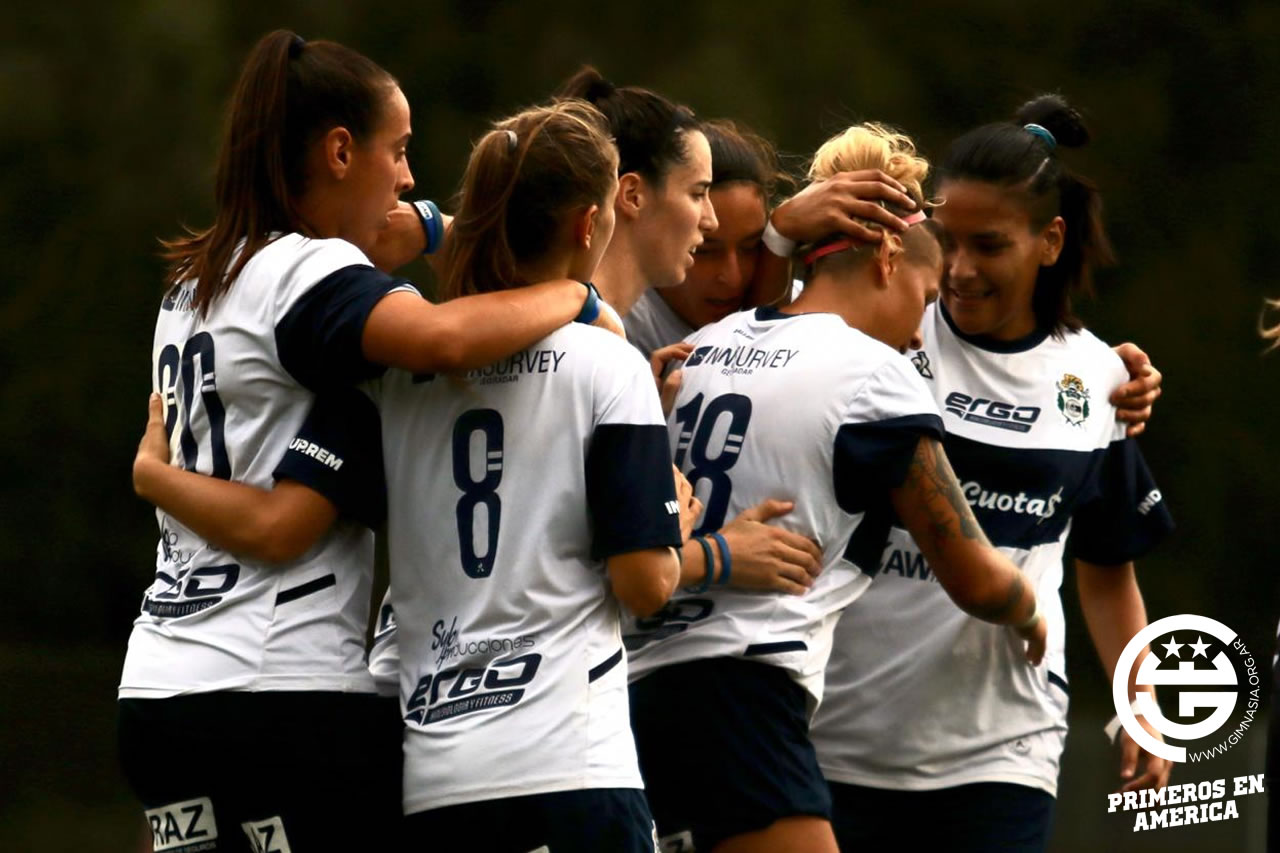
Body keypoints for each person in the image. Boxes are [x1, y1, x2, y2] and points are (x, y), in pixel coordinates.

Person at [120, 30, 611, 851]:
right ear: (341, 150)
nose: (410, 175)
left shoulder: (194, 279)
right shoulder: (305, 276)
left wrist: (426, 227)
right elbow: (445, 339)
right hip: (276, 691)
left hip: (160, 692)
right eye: (401, 150)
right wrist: (575, 292)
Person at [624, 121, 1049, 853]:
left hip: (636, 690)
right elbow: (974, 574)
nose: (921, 334)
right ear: (887, 256)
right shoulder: (873, 376)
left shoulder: (704, 344)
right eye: (923, 297)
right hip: (746, 691)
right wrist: (1031, 610)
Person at [810, 95, 1177, 853]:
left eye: (990, 246)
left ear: (1050, 241)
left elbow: (1107, 571)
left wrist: (1140, 697)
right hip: (833, 738)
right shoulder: (880, 334)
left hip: (1003, 753)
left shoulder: (1098, 376)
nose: (961, 270)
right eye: (948, 242)